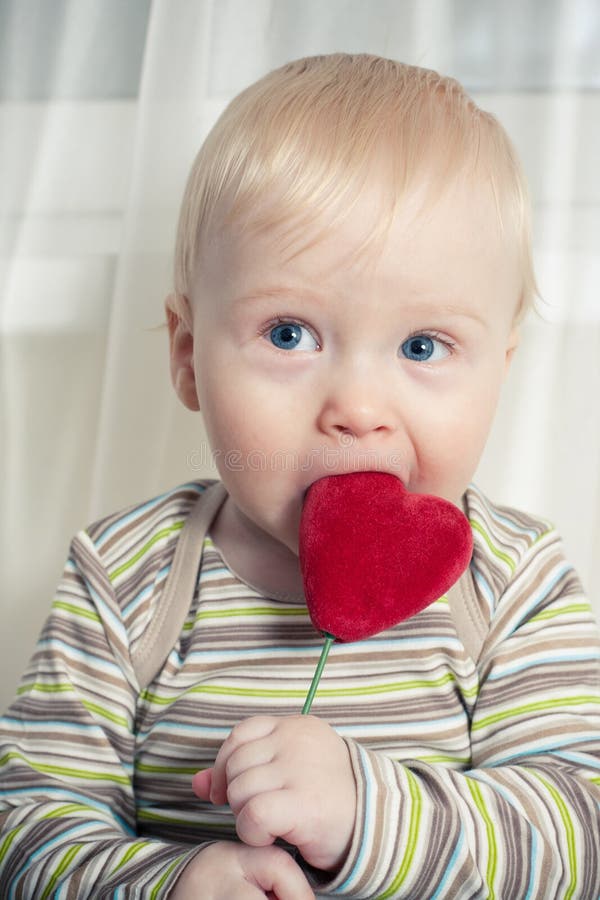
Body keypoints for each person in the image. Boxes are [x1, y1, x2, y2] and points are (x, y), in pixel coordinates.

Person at [0, 53, 599, 899]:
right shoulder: (123, 577)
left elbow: (576, 840)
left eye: (422, 346)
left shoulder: (514, 583)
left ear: (501, 370)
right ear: (188, 358)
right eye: (289, 334)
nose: (357, 408)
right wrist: (170, 883)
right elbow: (29, 828)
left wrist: (368, 811)